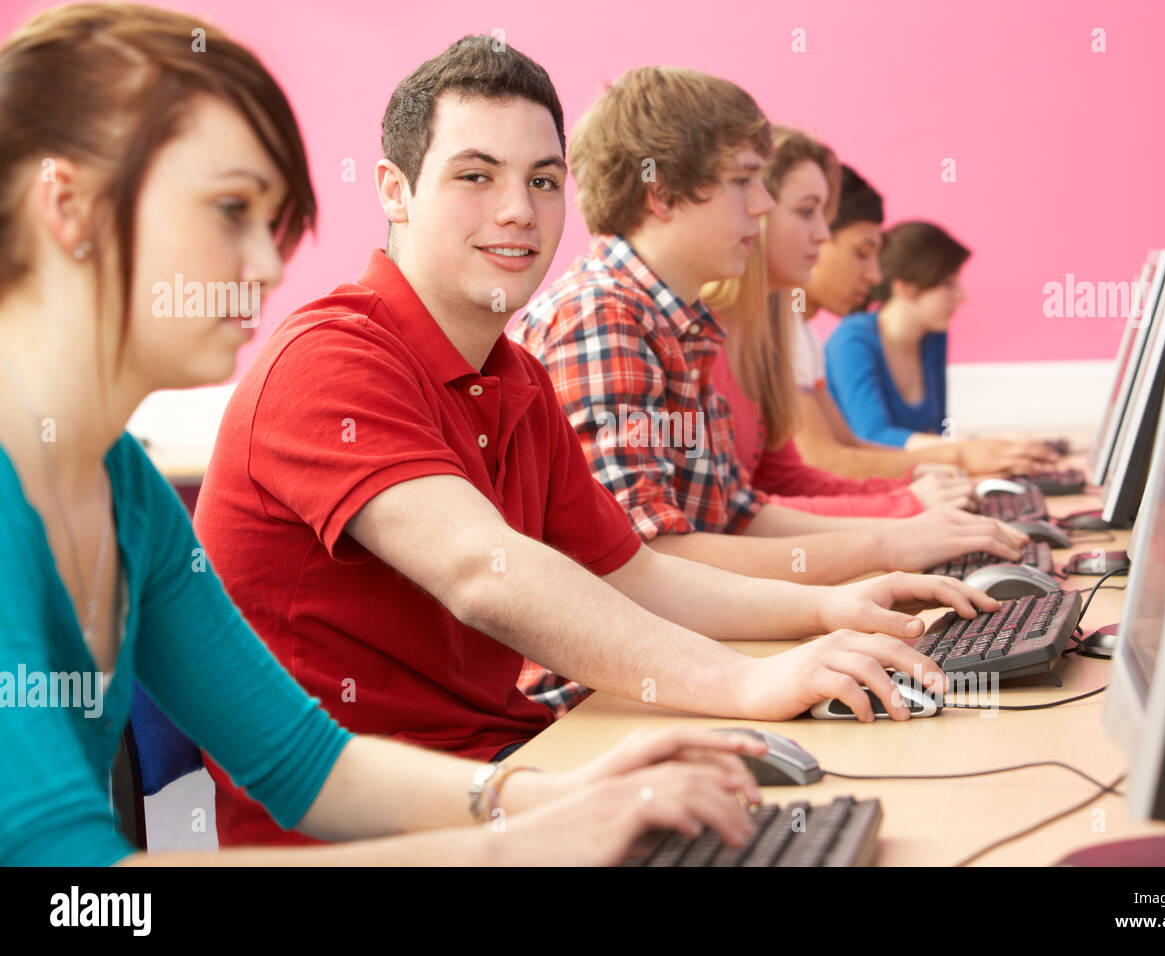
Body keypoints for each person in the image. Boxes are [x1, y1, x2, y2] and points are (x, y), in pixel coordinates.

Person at [0, 3, 777, 867]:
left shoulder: (123, 490)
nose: (265, 264)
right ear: (66, 204)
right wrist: (515, 845)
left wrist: (555, 801)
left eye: (272, 219)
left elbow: (304, 761)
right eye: (229, 210)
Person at [192, 37, 986, 846]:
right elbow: (481, 571)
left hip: (515, 768)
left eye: (542, 182)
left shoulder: (518, 379)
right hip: (390, 830)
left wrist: (823, 611)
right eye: (476, 176)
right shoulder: (331, 358)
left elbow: (634, 570)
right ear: (395, 191)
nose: (518, 210)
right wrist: (750, 680)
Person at [512, 66, 1029, 589]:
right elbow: (647, 561)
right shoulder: (602, 317)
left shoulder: (680, 324)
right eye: (742, 181)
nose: (761, 205)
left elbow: (738, 512)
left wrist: (897, 538)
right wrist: (885, 545)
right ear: (662, 194)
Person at [702, 126, 976, 517]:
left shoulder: (775, 329)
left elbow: (787, 480)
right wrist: (910, 499)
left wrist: (911, 487)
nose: (820, 235)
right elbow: (825, 461)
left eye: (825, 218)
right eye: (806, 212)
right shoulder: (702, 335)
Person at [797, 169, 1059, 476]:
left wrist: (988, 448)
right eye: (948, 284)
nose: (961, 296)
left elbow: (934, 436)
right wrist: (966, 451)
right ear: (906, 286)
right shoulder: (851, 339)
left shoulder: (933, 338)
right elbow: (870, 437)